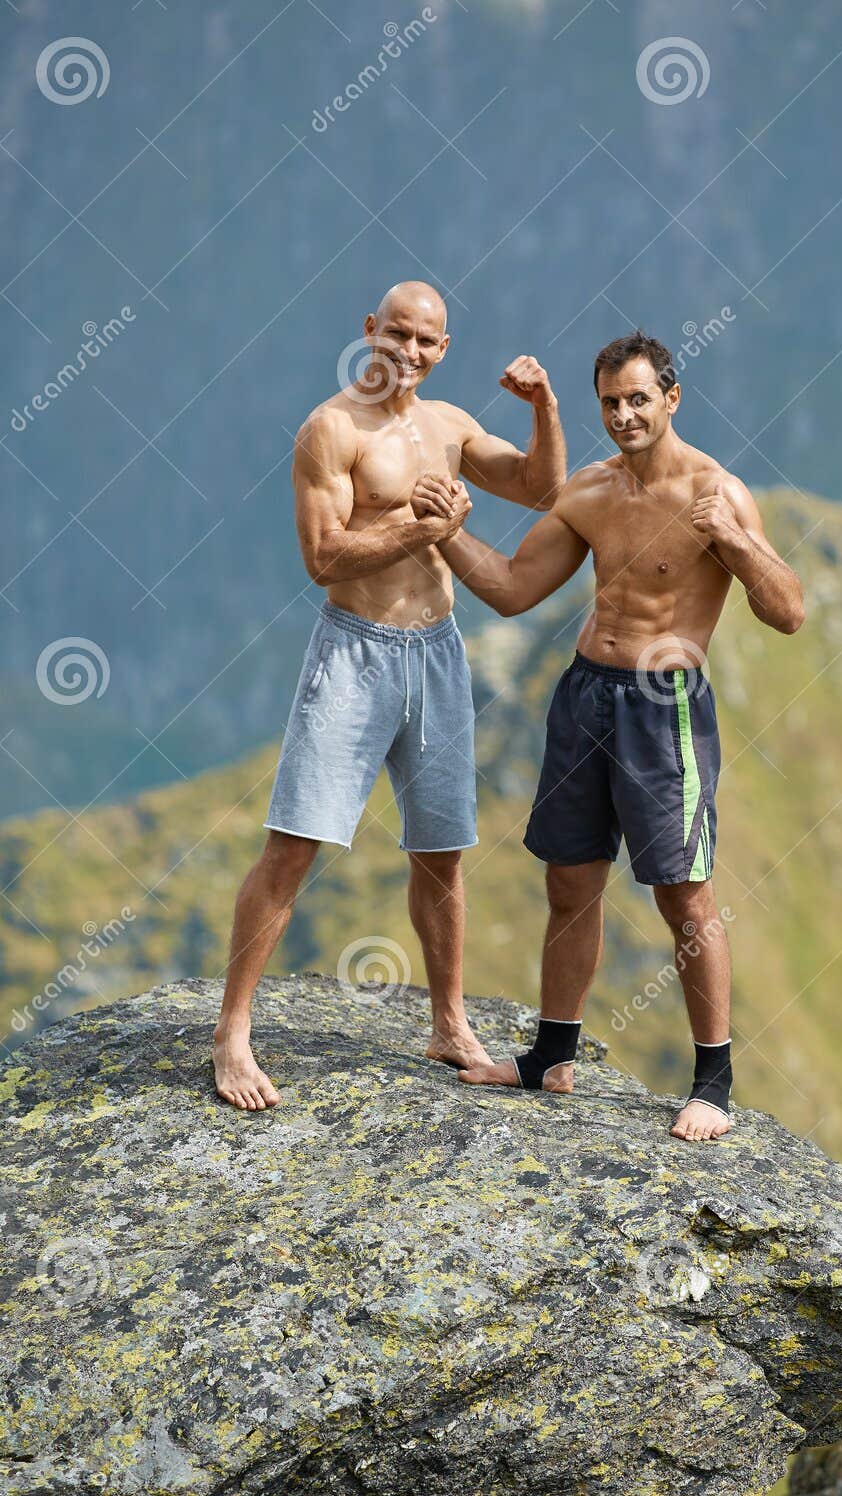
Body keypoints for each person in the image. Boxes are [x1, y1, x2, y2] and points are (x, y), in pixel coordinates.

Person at [411, 329, 804, 1142]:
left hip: (664, 709)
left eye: (638, 399)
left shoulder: (717, 493)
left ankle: (714, 1085)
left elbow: (788, 610)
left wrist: (732, 541)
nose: (624, 415)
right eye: (611, 403)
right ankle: (553, 1055)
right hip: (585, 695)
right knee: (569, 879)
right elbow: (515, 589)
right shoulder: (590, 492)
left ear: (672, 398)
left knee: (682, 890)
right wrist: (447, 529)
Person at [212, 281, 567, 1109]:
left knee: (441, 851)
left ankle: (448, 1020)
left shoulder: (446, 425)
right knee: (294, 845)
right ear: (370, 330)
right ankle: (232, 1034)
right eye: (397, 333)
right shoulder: (330, 429)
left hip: (437, 653)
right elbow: (325, 558)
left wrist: (545, 404)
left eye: (427, 341)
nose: (409, 352)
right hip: (354, 653)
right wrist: (422, 525)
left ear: (445, 350)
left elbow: (541, 488)